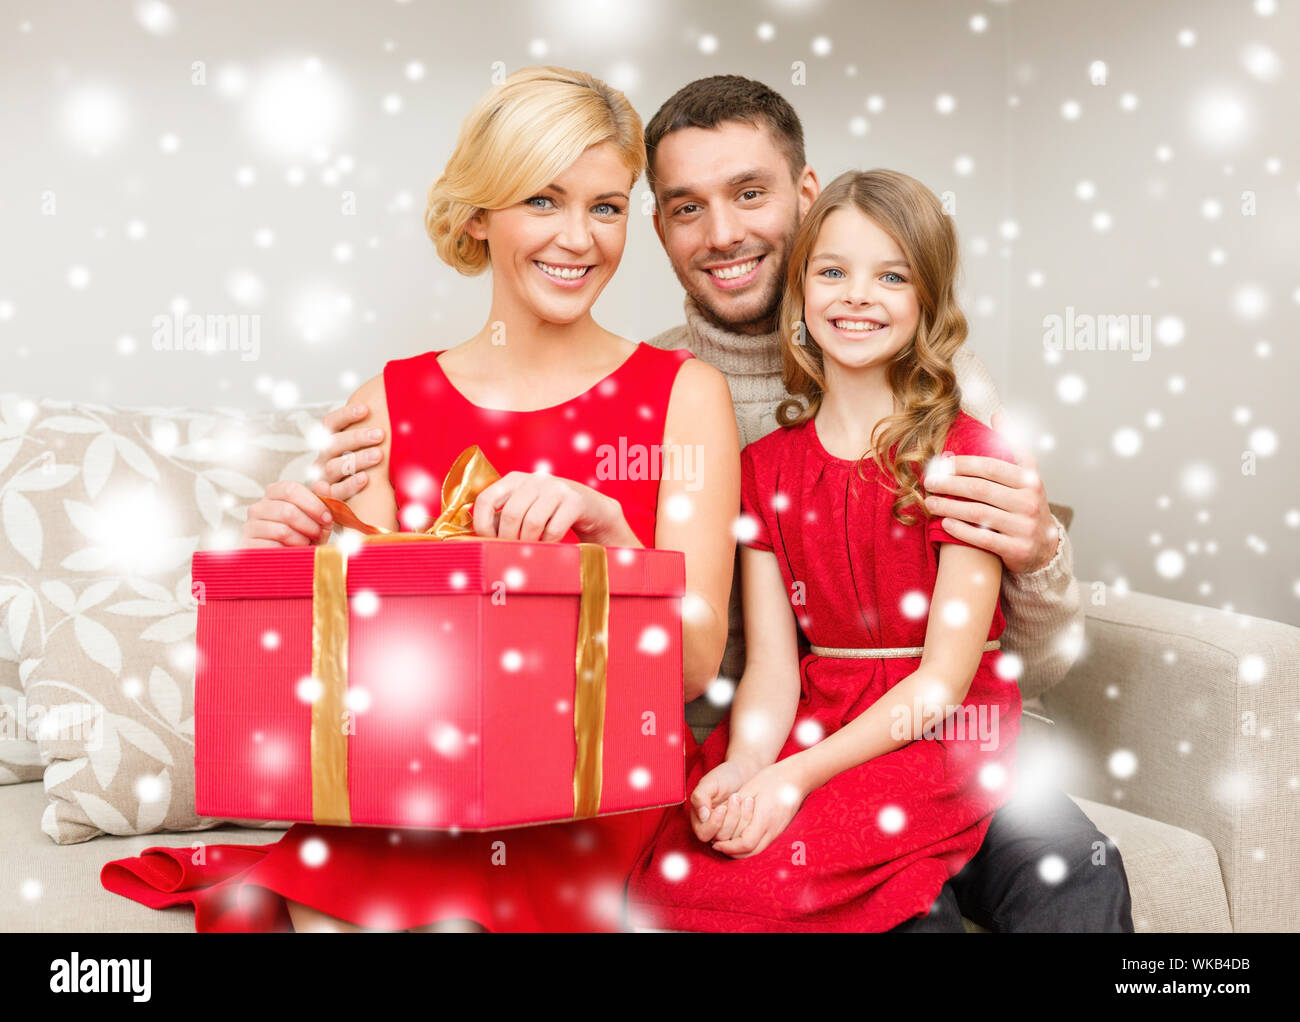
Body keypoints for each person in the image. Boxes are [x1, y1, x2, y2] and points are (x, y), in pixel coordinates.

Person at [310, 76, 1134, 932]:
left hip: (942, 738)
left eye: (750, 193)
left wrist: (1036, 556)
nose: (724, 233)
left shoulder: (943, 397)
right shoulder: (669, 389)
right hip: (770, 741)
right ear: (659, 224)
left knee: (1072, 875)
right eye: (685, 207)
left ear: (806, 197)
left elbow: (1032, 665)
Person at [99, 66, 739, 932]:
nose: (580, 239)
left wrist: (615, 536)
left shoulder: (684, 394)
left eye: (606, 206)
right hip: (422, 789)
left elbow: (696, 666)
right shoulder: (387, 402)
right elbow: (363, 683)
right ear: (480, 214)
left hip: (592, 793)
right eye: (542, 201)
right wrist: (287, 567)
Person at [628, 167, 1022, 930]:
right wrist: (747, 764)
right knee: (675, 884)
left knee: (782, 882)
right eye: (833, 272)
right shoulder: (766, 469)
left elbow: (942, 682)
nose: (856, 296)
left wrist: (791, 782)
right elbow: (774, 671)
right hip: (821, 715)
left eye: (891, 276)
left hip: (936, 729)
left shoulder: (967, 457)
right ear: (800, 292)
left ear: (927, 300)